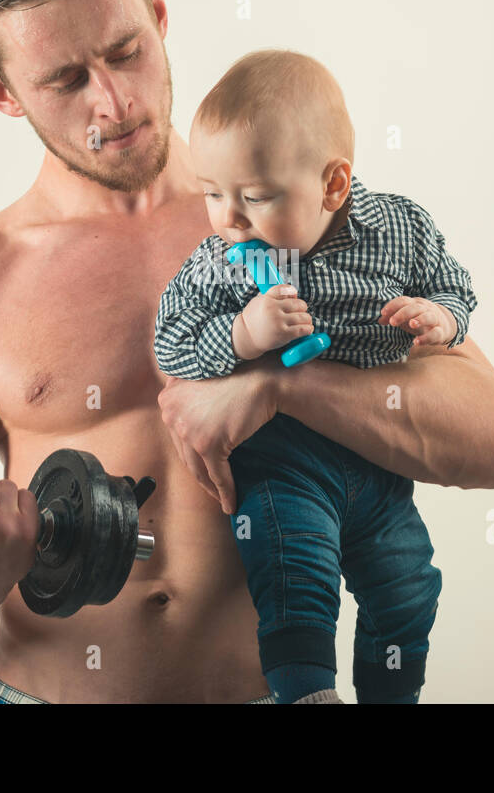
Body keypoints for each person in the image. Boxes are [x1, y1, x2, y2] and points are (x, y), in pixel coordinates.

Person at [0, 0, 494, 703]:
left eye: (125, 51)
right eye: (66, 80)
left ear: (157, 10)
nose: (114, 102)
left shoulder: (298, 217)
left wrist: (278, 386)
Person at [153, 49, 477, 703]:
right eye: (213, 193)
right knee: (294, 577)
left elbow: (454, 285)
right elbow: (171, 341)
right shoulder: (221, 262)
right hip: (284, 460)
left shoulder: (399, 229)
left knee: (410, 585)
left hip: (377, 454)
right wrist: (244, 335)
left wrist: (442, 317)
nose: (228, 218)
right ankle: (307, 693)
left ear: (333, 185)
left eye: (254, 197)